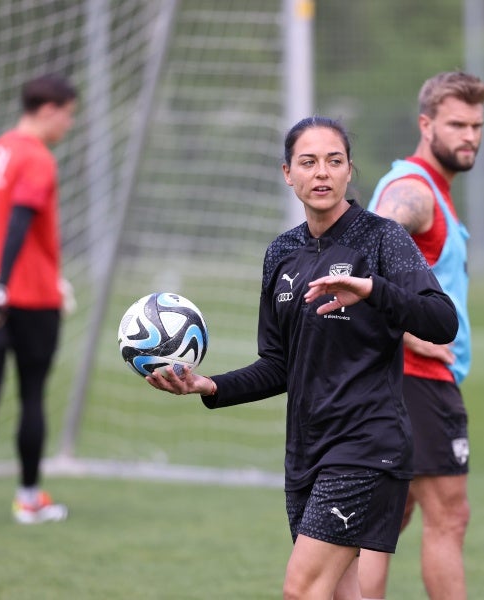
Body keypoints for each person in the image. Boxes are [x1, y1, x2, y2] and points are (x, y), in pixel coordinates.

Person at [146, 116, 458, 600]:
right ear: (287, 173)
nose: (322, 173)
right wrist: (208, 385)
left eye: (334, 161)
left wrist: (373, 290)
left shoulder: (381, 240)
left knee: (302, 588)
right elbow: (277, 364)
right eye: (308, 162)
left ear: (350, 171)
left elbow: (442, 320)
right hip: (307, 452)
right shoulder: (281, 254)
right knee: (339, 592)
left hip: (367, 446)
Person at [359, 71, 484, 600]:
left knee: (385, 523)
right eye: (457, 124)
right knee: (449, 516)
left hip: (407, 380)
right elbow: (364, 253)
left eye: (477, 125)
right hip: (416, 379)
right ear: (425, 124)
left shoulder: (431, 189)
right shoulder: (412, 189)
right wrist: (407, 333)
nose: (470, 136)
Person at [0, 74, 78, 530]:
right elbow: (20, 222)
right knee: (31, 395)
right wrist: (7, 284)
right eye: (68, 114)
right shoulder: (36, 158)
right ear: (48, 109)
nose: (68, 124)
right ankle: (28, 499)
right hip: (26, 296)